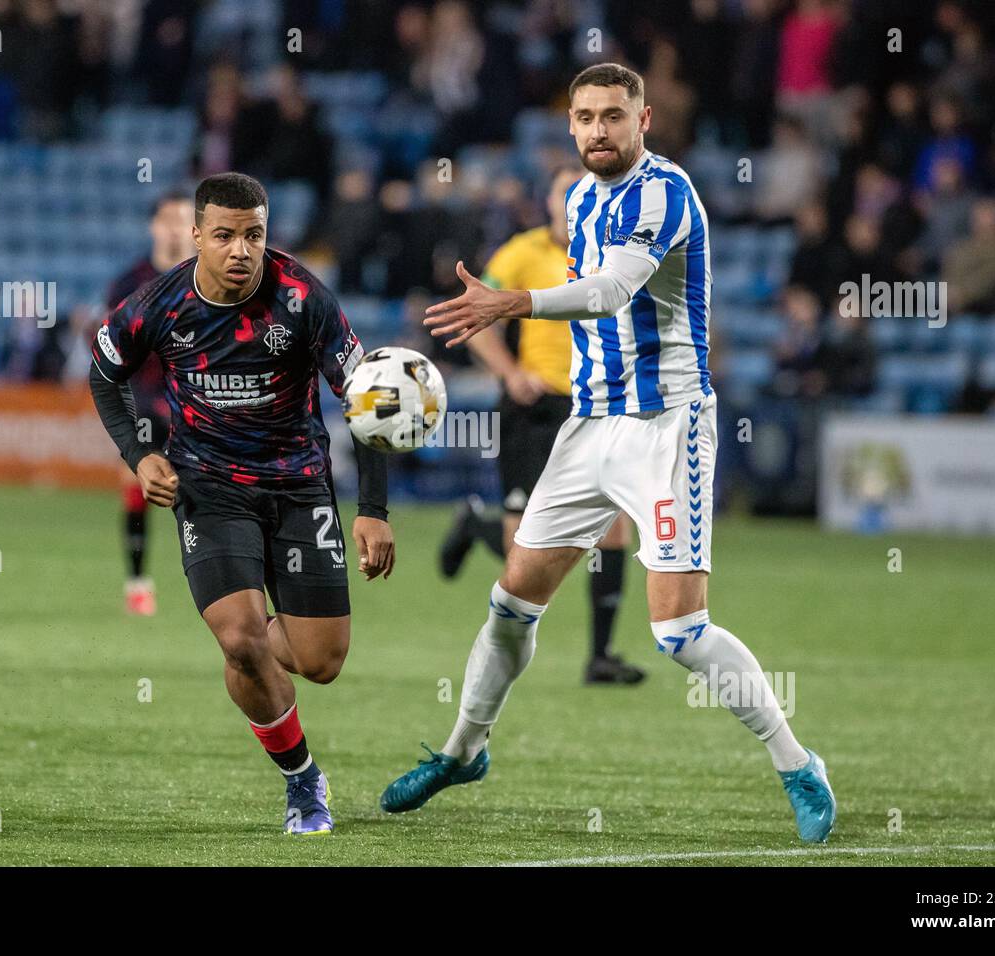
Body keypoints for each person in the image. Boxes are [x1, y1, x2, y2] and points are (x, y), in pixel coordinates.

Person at [380, 64, 836, 843]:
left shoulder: (664, 193)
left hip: (667, 426)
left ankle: (798, 764)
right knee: (511, 599)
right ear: (569, 125)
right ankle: (464, 750)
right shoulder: (583, 197)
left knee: (679, 634)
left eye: (613, 117)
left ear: (643, 119)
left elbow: (612, 292)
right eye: (585, 117)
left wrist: (514, 302)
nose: (598, 130)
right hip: (589, 425)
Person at [90, 173, 393, 835]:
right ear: (195, 236)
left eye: (253, 234)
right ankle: (303, 784)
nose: (240, 249)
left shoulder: (303, 297)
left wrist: (373, 508)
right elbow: (103, 373)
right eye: (224, 235)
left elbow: (367, 396)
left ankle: (267, 646)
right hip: (209, 490)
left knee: (321, 663)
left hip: (298, 485)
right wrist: (139, 456)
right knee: (239, 640)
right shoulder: (157, 304)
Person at [438, 167, 644, 685]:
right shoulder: (522, 252)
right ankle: (476, 523)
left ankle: (601, 656)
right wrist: (509, 373)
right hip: (536, 410)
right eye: (565, 193)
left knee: (614, 529)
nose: (575, 202)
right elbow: (474, 312)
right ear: (551, 202)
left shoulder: (614, 256)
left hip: (595, 409)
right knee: (521, 547)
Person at [101, 191, 196, 615]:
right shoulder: (128, 283)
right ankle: (138, 581)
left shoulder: (208, 279)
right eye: (168, 220)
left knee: (206, 491)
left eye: (183, 220)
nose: (175, 228)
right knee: (138, 487)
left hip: (197, 401)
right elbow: (109, 352)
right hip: (142, 401)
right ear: (154, 227)